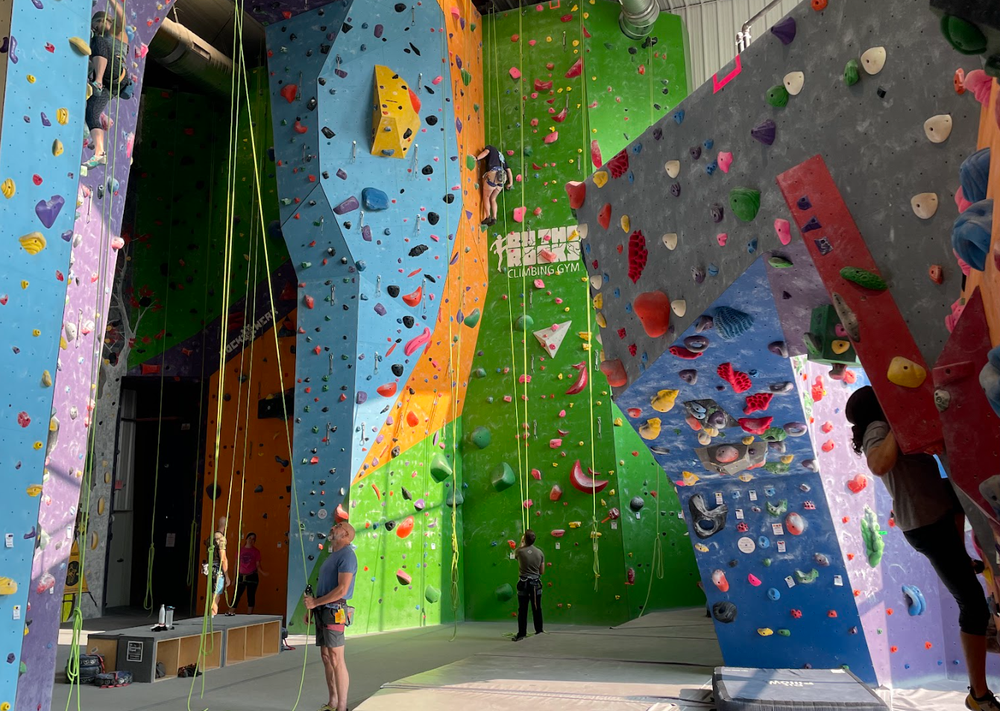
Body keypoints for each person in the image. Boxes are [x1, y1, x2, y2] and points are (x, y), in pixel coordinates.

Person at [846, 386, 998, 711]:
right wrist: (896, 423)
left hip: (932, 516)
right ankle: (978, 695)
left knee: (954, 491)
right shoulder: (878, 428)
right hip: (926, 526)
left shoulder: (887, 427)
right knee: (973, 607)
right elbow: (878, 464)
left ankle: (964, 559)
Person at [304, 522, 357, 711]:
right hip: (323, 610)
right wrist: (313, 608)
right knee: (326, 656)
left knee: (336, 657)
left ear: (346, 534)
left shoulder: (347, 555)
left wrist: (316, 603)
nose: (334, 527)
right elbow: (326, 586)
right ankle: (332, 702)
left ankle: (342, 707)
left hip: (335, 611)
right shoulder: (332, 556)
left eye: (339, 526)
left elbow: (342, 589)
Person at [84, 0, 131, 170]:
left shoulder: (115, 33)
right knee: (91, 113)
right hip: (109, 85)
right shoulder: (97, 44)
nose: (95, 28)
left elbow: (122, 18)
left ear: (106, 21)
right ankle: (99, 153)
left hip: (117, 73)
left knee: (99, 41)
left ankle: (97, 81)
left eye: (96, 24)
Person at [512, 529, 544, 641]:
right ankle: (539, 631)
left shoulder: (520, 551)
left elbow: (516, 554)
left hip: (523, 584)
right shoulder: (540, 553)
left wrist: (522, 542)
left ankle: (521, 634)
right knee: (537, 608)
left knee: (522, 610)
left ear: (524, 539)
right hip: (535, 585)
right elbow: (542, 571)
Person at [226, 532, 268, 616]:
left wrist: (263, 573)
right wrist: (234, 578)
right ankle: (231, 612)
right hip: (241, 575)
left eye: (253, 539)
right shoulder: (240, 550)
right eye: (250, 538)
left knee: (251, 596)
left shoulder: (256, 551)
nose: (251, 540)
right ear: (246, 539)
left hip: (252, 575)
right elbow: (236, 565)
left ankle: (249, 615)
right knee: (236, 595)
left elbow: (258, 565)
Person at [476, 145, 513, 226]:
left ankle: (488, 216)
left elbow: (486, 152)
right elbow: (508, 170)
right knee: (493, 199)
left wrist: (477, 158)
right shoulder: (502, 157)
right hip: (502, 178)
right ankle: (494, 217)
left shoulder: (491, 148)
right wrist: (510, 183)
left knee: (486, 197)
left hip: (494, 174)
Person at [207, 517, 229, 618]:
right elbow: (223, 558)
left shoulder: (211, 537)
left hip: (210, 567)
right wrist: (227, 576)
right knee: (216, 595)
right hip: (217, 569)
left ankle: (212, 614)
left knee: (213, 593)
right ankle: (213, 615)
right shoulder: (221, 538)